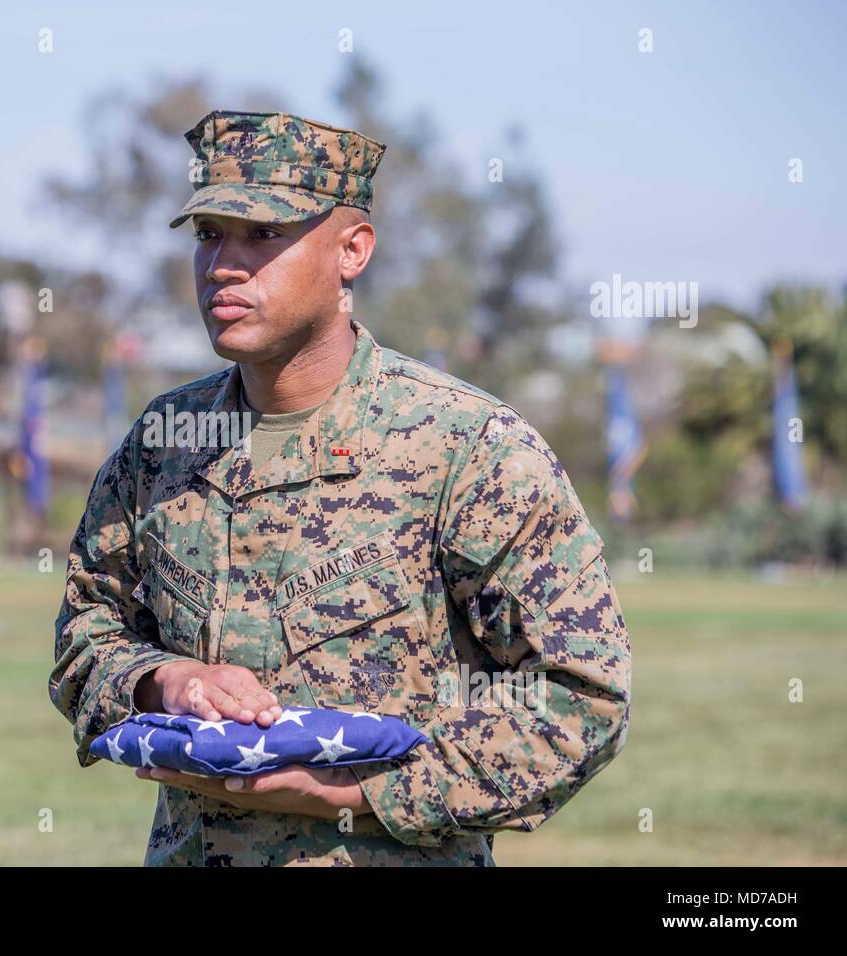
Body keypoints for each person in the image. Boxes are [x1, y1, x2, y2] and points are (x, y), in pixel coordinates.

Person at [50, 110, 632, 866]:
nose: (225, 264)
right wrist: (168, 681)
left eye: (264, 235)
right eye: (208, 235)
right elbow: (85, 635)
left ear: (351, 250)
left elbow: (580, 695)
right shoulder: (166, 442)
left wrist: (363, 796)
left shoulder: (466, 448)